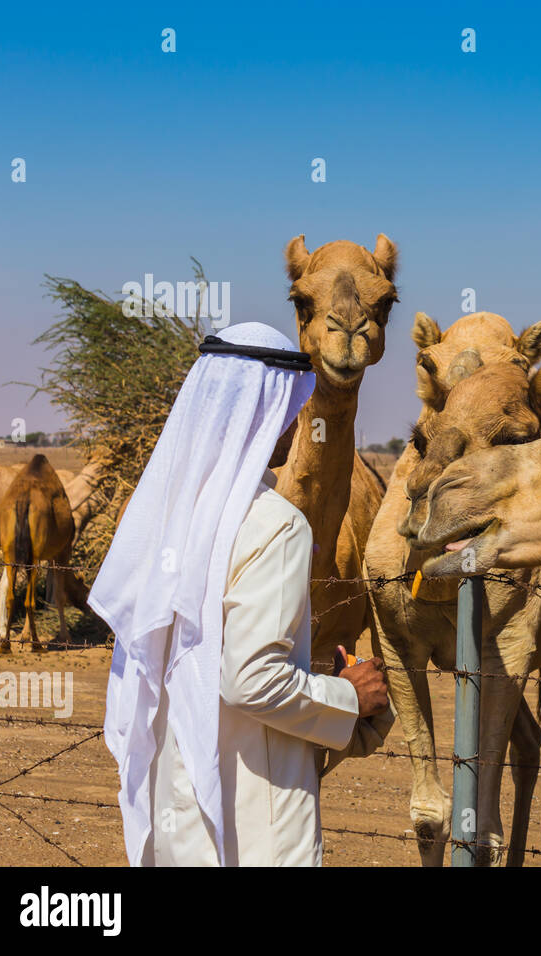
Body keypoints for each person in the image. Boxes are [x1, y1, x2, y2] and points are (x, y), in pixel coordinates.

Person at [91, 322, 392, 866]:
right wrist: (350, 696)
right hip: (256, 825)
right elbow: (251, 679)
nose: (296, 422)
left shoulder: (165, 516)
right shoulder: (276, 524)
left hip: (177, 805)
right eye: (288, 404)